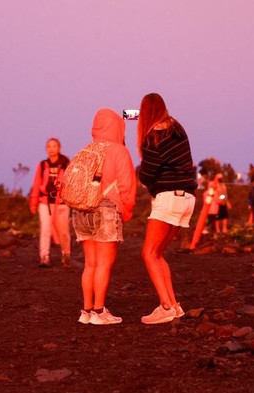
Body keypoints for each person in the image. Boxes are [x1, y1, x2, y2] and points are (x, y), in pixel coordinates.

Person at [72, 109, 137, 325]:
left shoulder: (86, 150)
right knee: (103, 265)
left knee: (90, 264)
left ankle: (86, 311)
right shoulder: (118, 151)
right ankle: (100, 312)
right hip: (106, 209)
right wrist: (127, 210)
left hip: (81, 209)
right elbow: (127, 186)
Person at [137, 93, 198, 324]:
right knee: (158, 253)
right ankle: (174, 306)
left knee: (148, 253)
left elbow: (147, 173)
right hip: (187, 198)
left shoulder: (153, 137)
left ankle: (164, 306)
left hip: (169, 198)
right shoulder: (178, 129)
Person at [29, 138, 72, 268]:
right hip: (45, 201)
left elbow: (70, 183)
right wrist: (33, 202)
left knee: (63, 231)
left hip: (62, 202)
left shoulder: (66, 163)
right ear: (46, 149)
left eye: (54, 146)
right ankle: (44, 257)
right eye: (49, 146)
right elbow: (36, 184)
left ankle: (66, 254)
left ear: (59, 148)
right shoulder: (42, 165)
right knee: (45, 230)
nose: (52, 149)